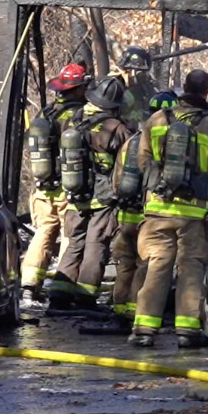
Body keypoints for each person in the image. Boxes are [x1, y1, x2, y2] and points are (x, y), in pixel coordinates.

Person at [130, 70, 208, 349]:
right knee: (191, 268)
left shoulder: (157, 120)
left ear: (184, 88)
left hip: (157, 209)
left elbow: (142, 163)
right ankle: (188, 331)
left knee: (156, 266)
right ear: (207, 91)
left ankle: (144, 329)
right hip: (195, 214)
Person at [47, 77, 134, 311]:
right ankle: (85, 296)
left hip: (75, 192)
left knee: (74, 243)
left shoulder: (75, 119)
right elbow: (131, 161)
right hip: (104, 196)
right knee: (97, 243)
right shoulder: (116, 128)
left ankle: (59, 295)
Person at [19, 63, 87, 299]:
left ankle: (28, 282)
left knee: (43, 232)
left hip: (43, 187)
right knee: (70, 236)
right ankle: (62, 284)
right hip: (70, 188)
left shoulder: (46, 113)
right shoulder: (82, 115)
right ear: (78, 89)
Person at [109, 91, 177, 321]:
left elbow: (117, 178)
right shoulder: (174, 142)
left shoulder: (131, 141)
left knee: (125, 262)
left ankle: (118, 306)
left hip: (127, 212)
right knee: (144, 263)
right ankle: (133, 309)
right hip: (149, 214)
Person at [110, 47, 156, 125]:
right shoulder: (114, 86)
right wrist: (132, 115)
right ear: (132, 71)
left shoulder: (143, 85)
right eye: (142, 72)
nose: (144, 76)